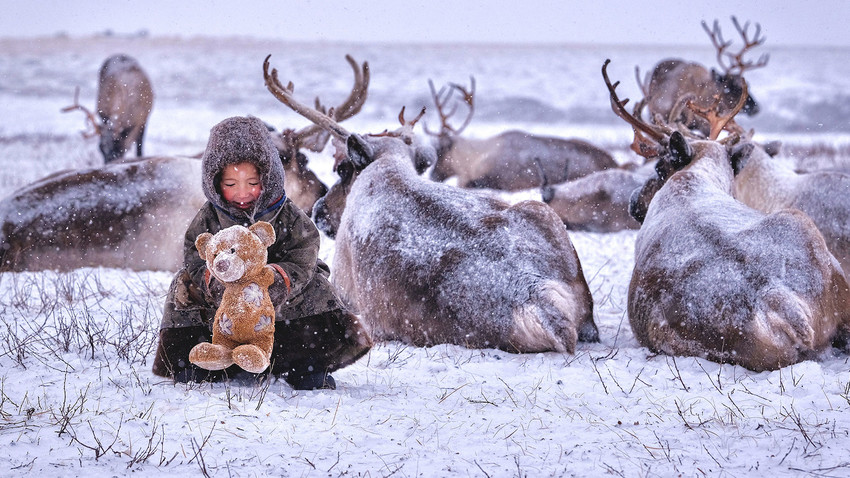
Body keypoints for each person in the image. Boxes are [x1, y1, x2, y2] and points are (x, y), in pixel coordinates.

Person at [152, 116, 372, 389]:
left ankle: (306, 363)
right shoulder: (210, 216)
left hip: (278, 296)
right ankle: (195, 361)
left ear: (268, 177)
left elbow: (305, 252)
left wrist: (279, 280)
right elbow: (194, 253)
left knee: (317, 286)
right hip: (224, 302)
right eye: (230, 184)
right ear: (215, 182)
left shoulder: (286, 212)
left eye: (252, 183)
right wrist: (213, 282)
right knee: (183, 287)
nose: (242, 193)